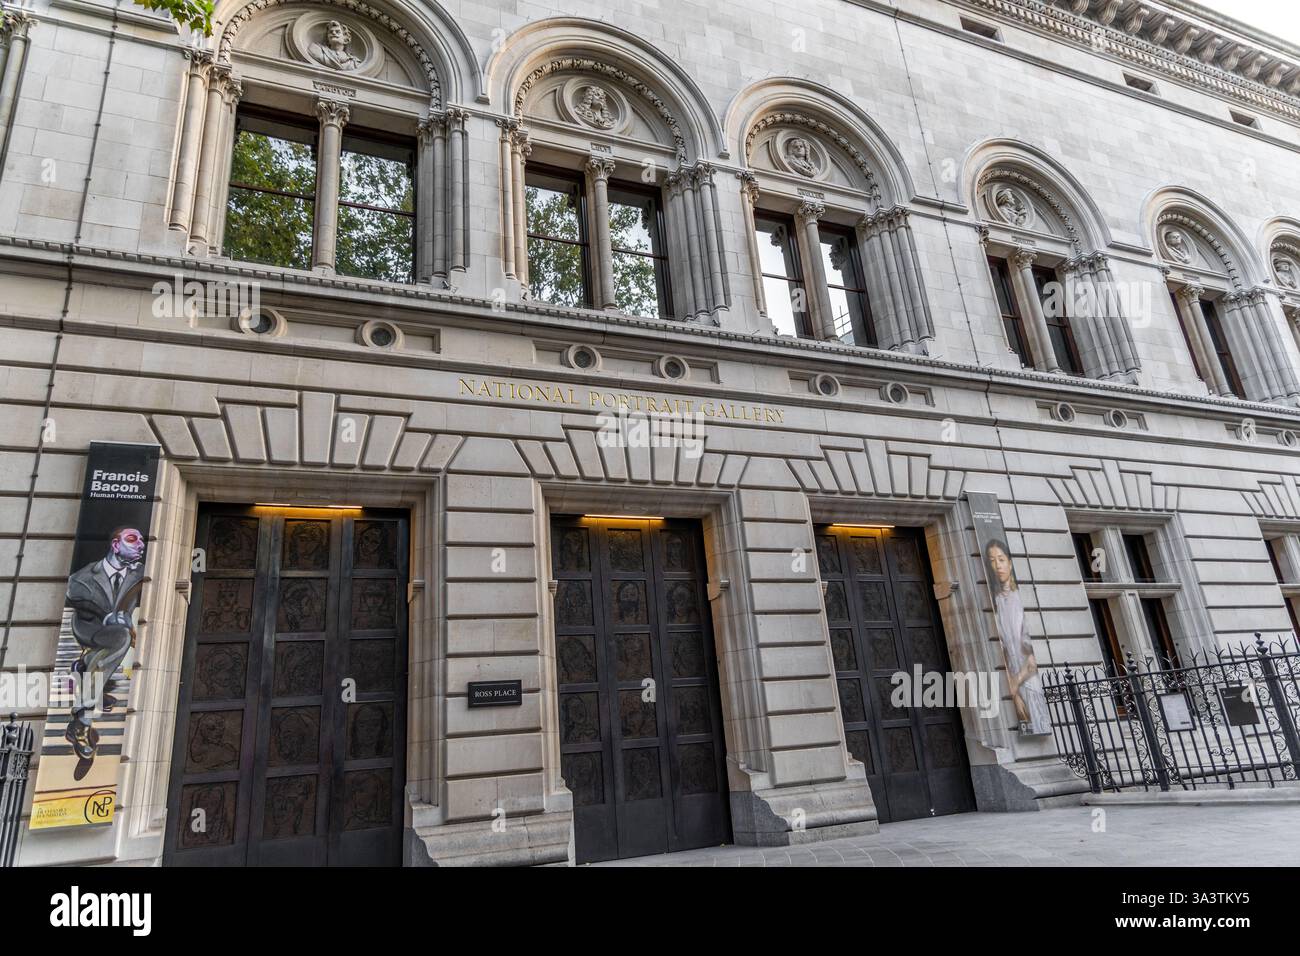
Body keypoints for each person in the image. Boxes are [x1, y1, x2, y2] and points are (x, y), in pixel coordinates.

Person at [64, 527, 146, 760]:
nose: (140, 544)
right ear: (115, 544)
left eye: (141, 540)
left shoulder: (138, 573)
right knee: (119, 638)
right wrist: (105, 614)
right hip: (90, 629)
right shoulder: (83, 577)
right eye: (132, 539)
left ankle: (87, 666)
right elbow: (73, 596)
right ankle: (81, 721)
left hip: (118, 629)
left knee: (121, 637)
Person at [984, 538, 1051, 735]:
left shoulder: (1020, 598)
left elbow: (1033, 658)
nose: (998, 565)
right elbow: (1003, 652)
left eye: (1002, 559)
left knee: (1039, 727)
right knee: (1026, 727)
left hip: (1030, 682)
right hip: (1014, 686)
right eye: (992, 560)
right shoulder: (996, 602)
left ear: (1010, 563)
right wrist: (1013, 694)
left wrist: (1015, 683)